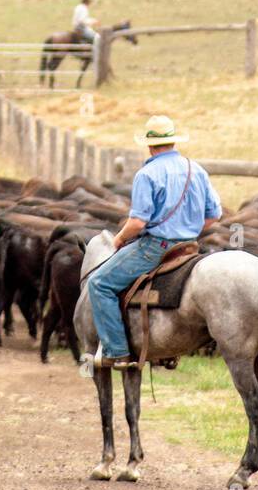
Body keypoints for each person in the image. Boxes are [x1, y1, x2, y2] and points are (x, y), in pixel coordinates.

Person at [86, 115, 222, 370]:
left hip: (156, 248)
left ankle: (117, 351)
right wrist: (188, 231)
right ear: (173, 143)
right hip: (189, 248)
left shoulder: (147, 174)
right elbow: (214, 215)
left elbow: (137, 223)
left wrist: (118, 239)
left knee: (99, 284)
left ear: (149, 145)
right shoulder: (197, 169)